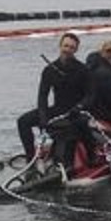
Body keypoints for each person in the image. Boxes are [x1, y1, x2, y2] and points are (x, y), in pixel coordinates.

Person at [15, 31, 90, 160]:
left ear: (76, 50)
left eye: (71, 47)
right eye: (66, 46)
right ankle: (30, 156)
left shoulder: (83, 69)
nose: (68, 50)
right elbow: (42, 96)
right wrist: (43, 118)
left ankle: (91, 155)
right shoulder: (49, 70)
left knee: (81, 125)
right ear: (60, 46)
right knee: (23, 121)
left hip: (77, 111)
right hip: (58, 109)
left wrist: (80, 107)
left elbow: (91, 95)